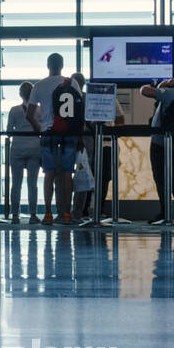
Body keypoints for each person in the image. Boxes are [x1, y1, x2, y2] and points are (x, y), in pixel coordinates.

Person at [26, 53, 79, 224]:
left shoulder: (39, 86)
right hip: (69, 133)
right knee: (66, 174)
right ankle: (66, 214)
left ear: (48, 65)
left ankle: (48, 213)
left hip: (48, 132)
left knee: (49, 174)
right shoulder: (72, 82)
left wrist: (39, 129)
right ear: (62, 65)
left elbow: (29, 114)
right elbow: (79, 109)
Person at [140, 65, 174, 225]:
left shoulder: (170, 93)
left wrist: (164, 83)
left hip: (160, 141)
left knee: (160, 176)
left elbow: (144, 91)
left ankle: (164, 212)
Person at [70, 72, 124, 222]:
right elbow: (120, 120)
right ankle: (95, 210)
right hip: (99, 144)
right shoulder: (89, 99)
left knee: (92, 178)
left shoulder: (82, 100)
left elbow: (120, 120)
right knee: (98, 178)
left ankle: (88, 210)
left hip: (94, 144)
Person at [6, 82, 42, 222]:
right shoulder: (39, 110)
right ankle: (33, 214)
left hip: (17, 149)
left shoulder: (14, 110)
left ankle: (15, 215)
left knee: (16, 183)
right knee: (32, 183)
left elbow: (9, 131)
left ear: (20, 94)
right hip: (34, 147)